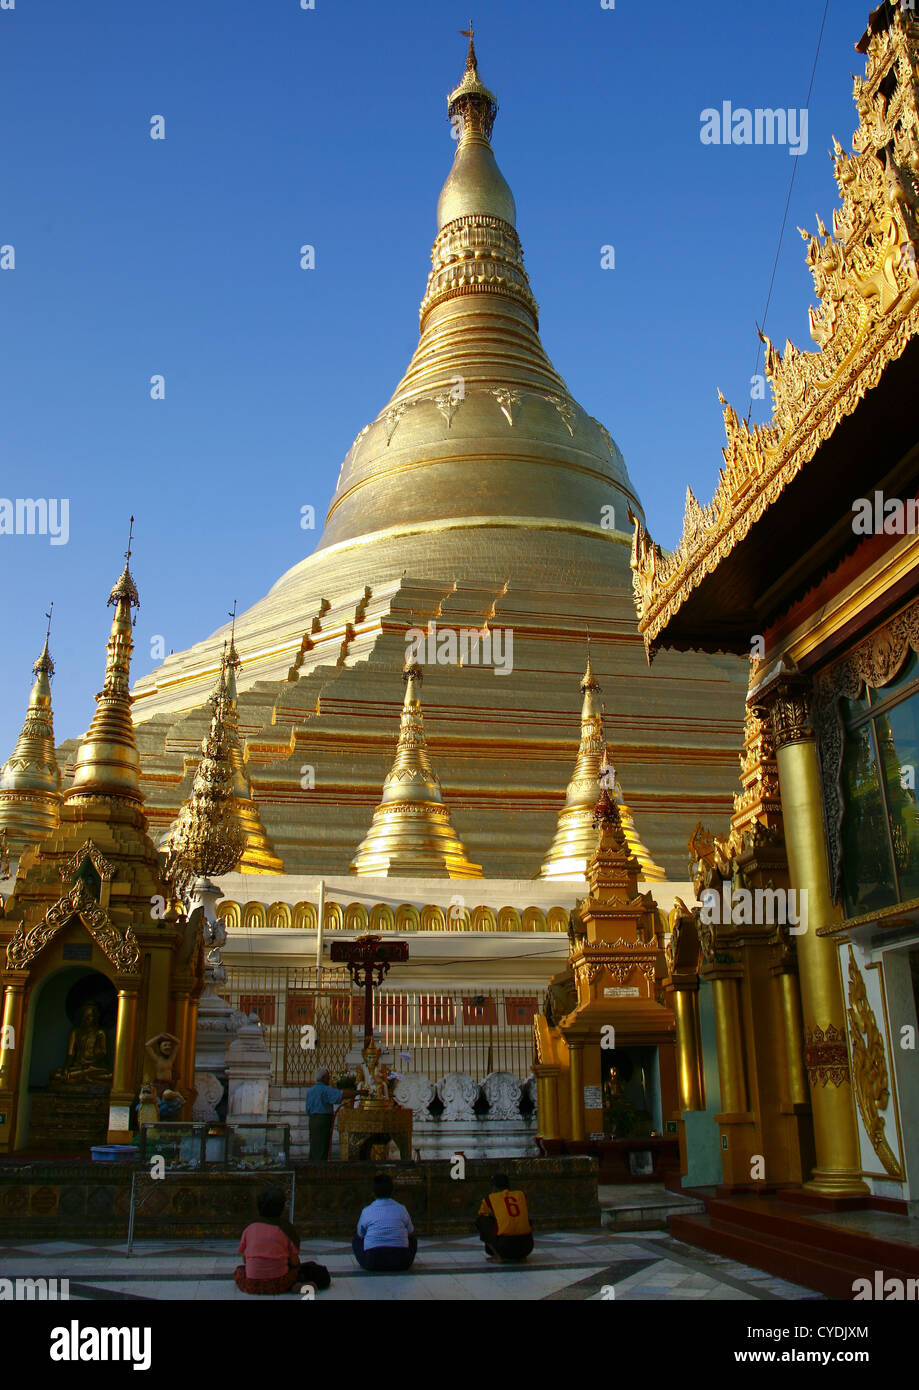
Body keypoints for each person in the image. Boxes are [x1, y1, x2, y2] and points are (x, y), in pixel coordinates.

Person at [234, 1187, 331, 1296]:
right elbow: (294, 1261)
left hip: (252, 1284)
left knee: (239, 1270)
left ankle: (293, 1284)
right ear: (282, 1208)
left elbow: (244, 1259)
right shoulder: (286, 1228)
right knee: (299, 1270)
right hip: (280, 1282)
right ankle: (295, 1284)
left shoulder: (249, 1227)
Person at [352, 1173, 417, 1272]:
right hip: (401, 1261)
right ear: (392, 1191)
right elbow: (410, 1232)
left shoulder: (367, 1210)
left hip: (373, 1261)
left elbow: (360, 1235)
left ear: (373, 1192)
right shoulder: (401, 1209)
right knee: (413, 1239)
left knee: (356, 1241)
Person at [475, 1172, 534, 1263]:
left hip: (504, 1248)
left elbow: (482, 1215)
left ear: (494, 1187)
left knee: (481, 1220)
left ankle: (499, 1257)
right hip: (527, 1246)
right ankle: (522, 1257)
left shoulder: (490, 1198)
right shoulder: (521, 1194)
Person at [304, 1067, 343, 1160]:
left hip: (313, 1120)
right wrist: (358, 1092)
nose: (329, 1079)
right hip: (323, 1120)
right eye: (328, 1077)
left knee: (314, 1145)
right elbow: (339, 1096)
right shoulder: (326, 1089)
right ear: (323, 1078)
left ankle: (313, 1165)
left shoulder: (310, 1091)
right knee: (322, 1145)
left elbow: (307, 1109)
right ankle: (320, 1167)